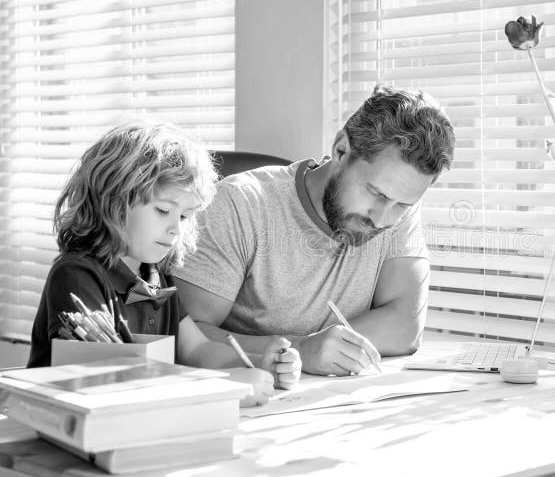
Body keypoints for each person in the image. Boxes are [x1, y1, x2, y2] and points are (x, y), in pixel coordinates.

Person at [174, 85, 456, 376]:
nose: (382, 219)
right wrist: (301, 350)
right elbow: (183, 333)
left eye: (403, 204)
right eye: (377, 194)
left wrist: (324, 348)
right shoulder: (238, 204)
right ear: (341, 150)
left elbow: (404, 327)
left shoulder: (397, 209)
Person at [27, 123, 301, 407]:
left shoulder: (155, 279)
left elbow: (198, 349)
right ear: (113, 200)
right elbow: (112, 380)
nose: (175, 229)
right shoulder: (77, 276)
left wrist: (254, 365)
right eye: (163, 211)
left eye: (184, 217)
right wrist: (222, 390)